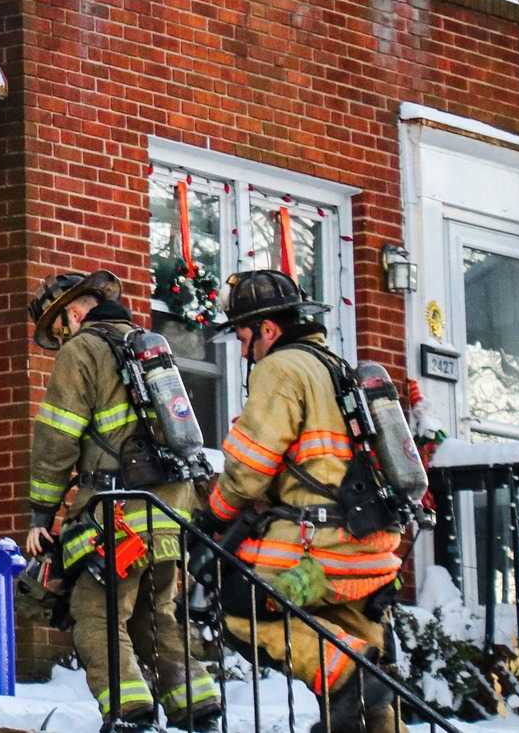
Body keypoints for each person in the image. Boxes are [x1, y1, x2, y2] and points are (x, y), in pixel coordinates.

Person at [198, 269, 403, 733]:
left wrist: (214, 513)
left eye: (245, 337)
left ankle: (350, 677)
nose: (245, 350)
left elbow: (249, 469)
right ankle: (372, 710)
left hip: (316, 549)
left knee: (241, 605)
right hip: (369, 550)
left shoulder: (282, 368)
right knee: (359, 643)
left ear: (268, 330)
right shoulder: (336, 368)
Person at [22, 269, 221, 733]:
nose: (62, 338)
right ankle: (200, 711)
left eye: (59, 328)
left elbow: (57, 437)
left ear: (74, 311)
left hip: (119, 514)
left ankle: (129, 714)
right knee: (159, 617)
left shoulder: (84, 350)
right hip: (171, 512)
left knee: (96, 614)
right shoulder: (148, 347)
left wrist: (42, 511)